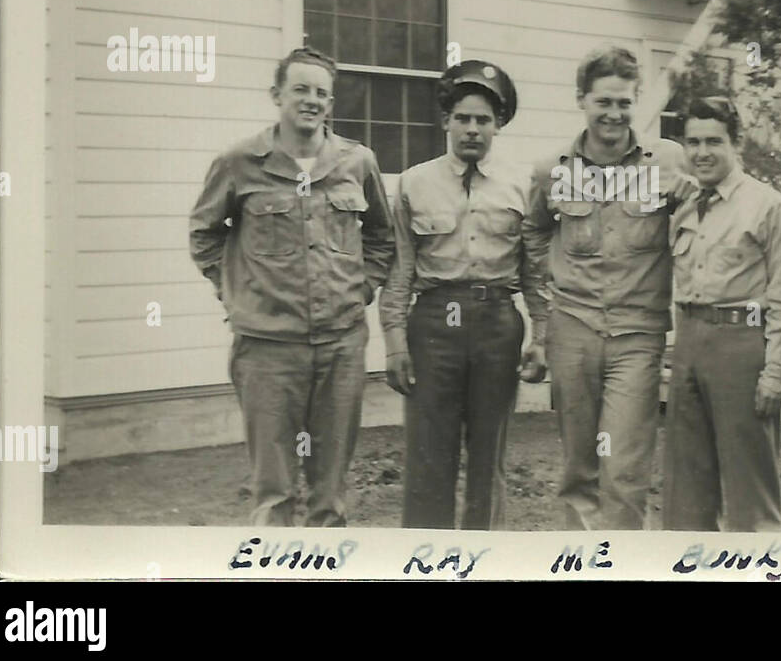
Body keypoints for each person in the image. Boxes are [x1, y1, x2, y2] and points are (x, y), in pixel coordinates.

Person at [189, 46, 394, 526]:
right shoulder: (240, 163)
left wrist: (364, 289)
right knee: (273, 491)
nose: (311, 100)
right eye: (300, 89)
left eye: (321, 92)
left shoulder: (357, 162)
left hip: (342, 346)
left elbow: (382, 236)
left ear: (331, 103)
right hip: (267, 350)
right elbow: (204, 235)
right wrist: (235, 291)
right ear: (277, 94)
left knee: (331, 494)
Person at [522, 45, 696, 530]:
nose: (614, 114)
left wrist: (689, 196)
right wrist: (551, 280)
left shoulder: (668, 162)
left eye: (624, 102)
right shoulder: (552, 170)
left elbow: (699, 224)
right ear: (582, 100)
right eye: (604, 102)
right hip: (572, 332)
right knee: (579, 470)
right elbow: (534, 231)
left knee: (623, 469)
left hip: (637, 338)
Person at [380, 59, 538, 530]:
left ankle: (487, 560)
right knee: (429, 454)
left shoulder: (522, 185)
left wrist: (543, 336)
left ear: (499, 125)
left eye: (484, 120)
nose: (473, 129)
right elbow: (400, 269)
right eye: (463, 118)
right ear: (446, 120)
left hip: (496, 324)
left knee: (490, 455)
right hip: (433, 326)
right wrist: (393, 342)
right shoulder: (414, 182)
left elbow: (535, 271)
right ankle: (425, 563)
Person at [663, 97, 781, 532]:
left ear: (736, 142)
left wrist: (775, 372)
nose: (702, 152)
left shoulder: (770, 207)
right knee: (685, 486)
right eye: (693, 142)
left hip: (741, 346)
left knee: (749, 489)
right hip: (688, 342)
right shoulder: (682, 205)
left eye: (713, 141)